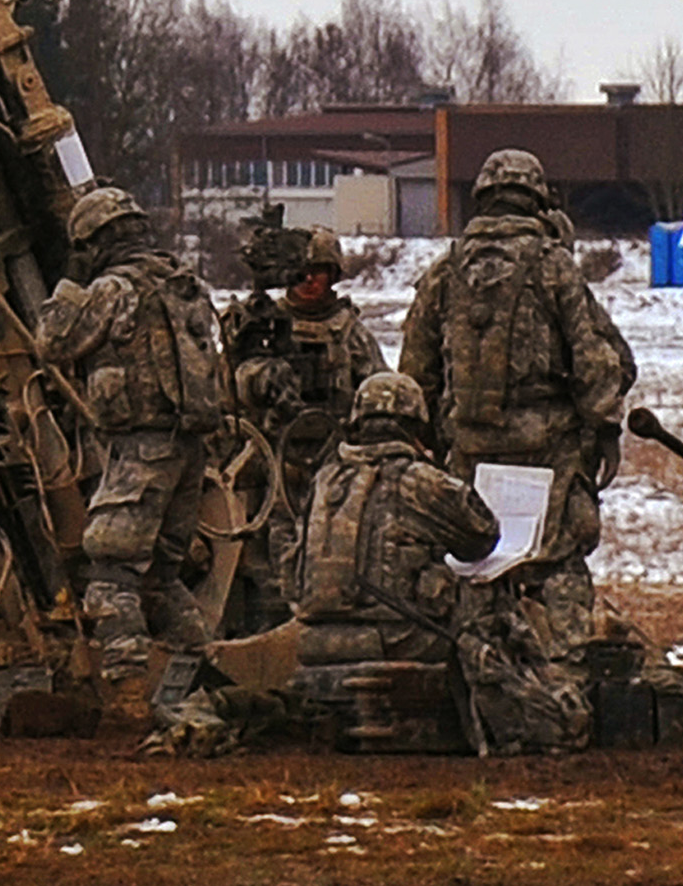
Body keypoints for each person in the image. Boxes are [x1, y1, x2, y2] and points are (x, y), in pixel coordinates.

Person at [400, 146, 636, 716]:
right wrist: (605, 425)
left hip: (469, 450)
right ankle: (566, 680)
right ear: (537, 198)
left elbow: (415, 368)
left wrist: (426, 435)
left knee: (475, 563)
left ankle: (481, 679)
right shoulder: (552, 264)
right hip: (547, 450)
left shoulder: (444, 271)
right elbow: (593, 354)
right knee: (557, 562)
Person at [36, 178, 236, 670]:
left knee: (111, 572)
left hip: (142, 451)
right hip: (187, 450)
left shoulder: (114, 289)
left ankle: (125, 683)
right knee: (161, 579)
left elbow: (53, 342)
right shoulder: (183, 285)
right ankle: (199, 669)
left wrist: (69, 282)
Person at [290, 369, 501, 736]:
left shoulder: (325, 479)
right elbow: (482, 537)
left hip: (313, 641)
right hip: (397, 638)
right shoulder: (418, 479)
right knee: (490, 609)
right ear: (416, 425)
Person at [226, 236, 379, 636]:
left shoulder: (351, 333)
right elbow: (226, 386)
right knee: (269, 561)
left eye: (321, 273)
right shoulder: (262, 327)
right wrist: (260, 376)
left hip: (334, 460)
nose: (311, 282)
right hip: (272, 462)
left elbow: (378, 391)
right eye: (303, 273)